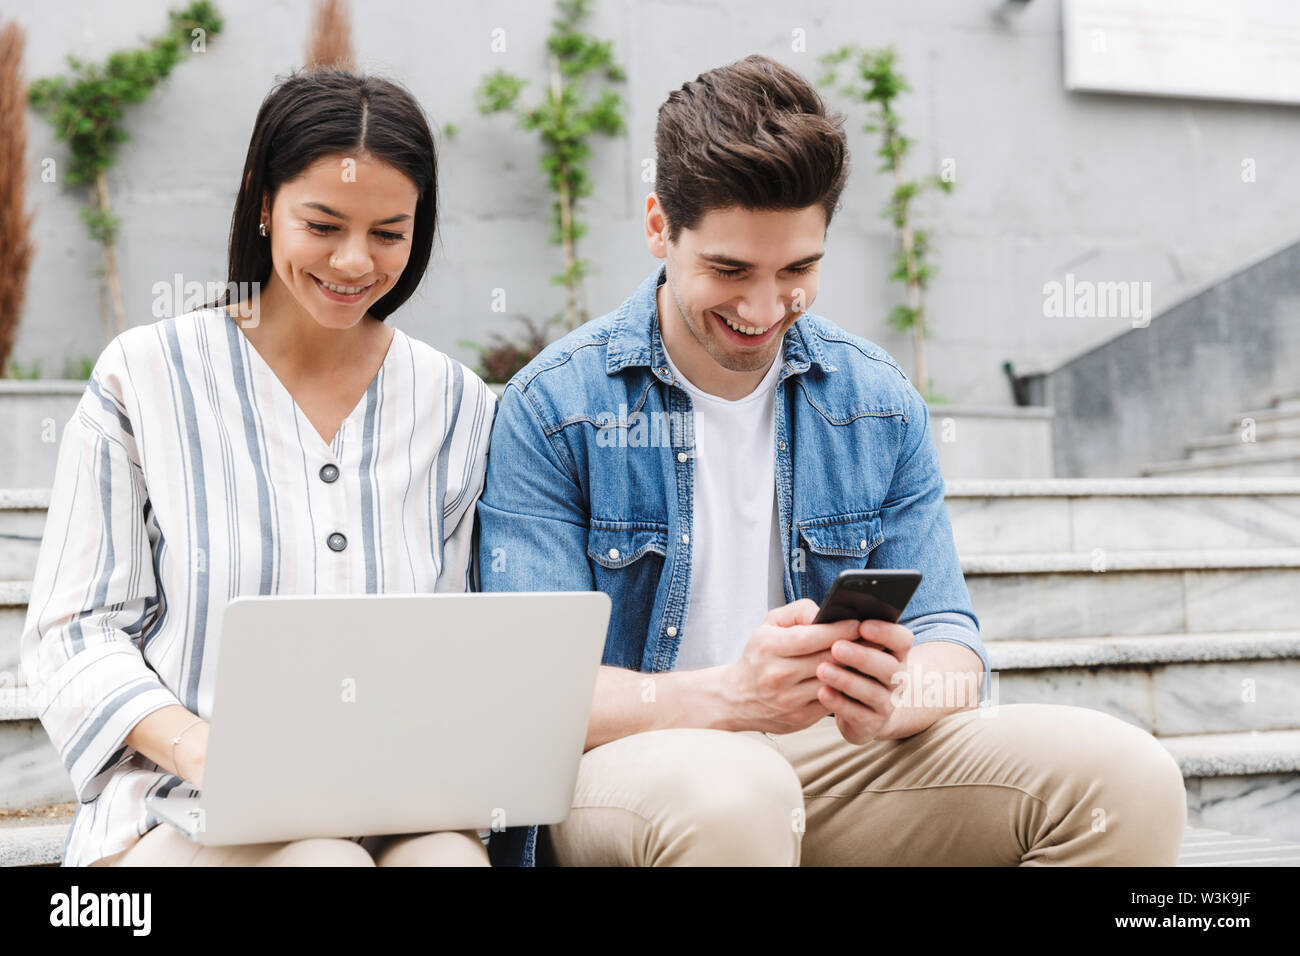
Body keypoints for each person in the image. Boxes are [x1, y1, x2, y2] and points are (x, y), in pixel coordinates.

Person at [476, 54, 1188, 867]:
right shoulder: (554, 407)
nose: (763, 308)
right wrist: (729, 696)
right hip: (631, 771)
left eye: (798, 271)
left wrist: (893, 698)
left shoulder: (875, 401)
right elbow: (529, 693)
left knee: (1129, 778)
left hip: (823, 760)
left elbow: (956, 643)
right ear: (657, 228)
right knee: (737, 794)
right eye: (729, 270)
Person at [21, 69, 496, 867]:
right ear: (264, 203)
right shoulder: (145, 376)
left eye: (389, 232)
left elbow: (459, 629)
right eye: (324, 223)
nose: (355, 262)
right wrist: (203, 750)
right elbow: (74, 634)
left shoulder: (455, 403)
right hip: (178, 807)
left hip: (391, 802)